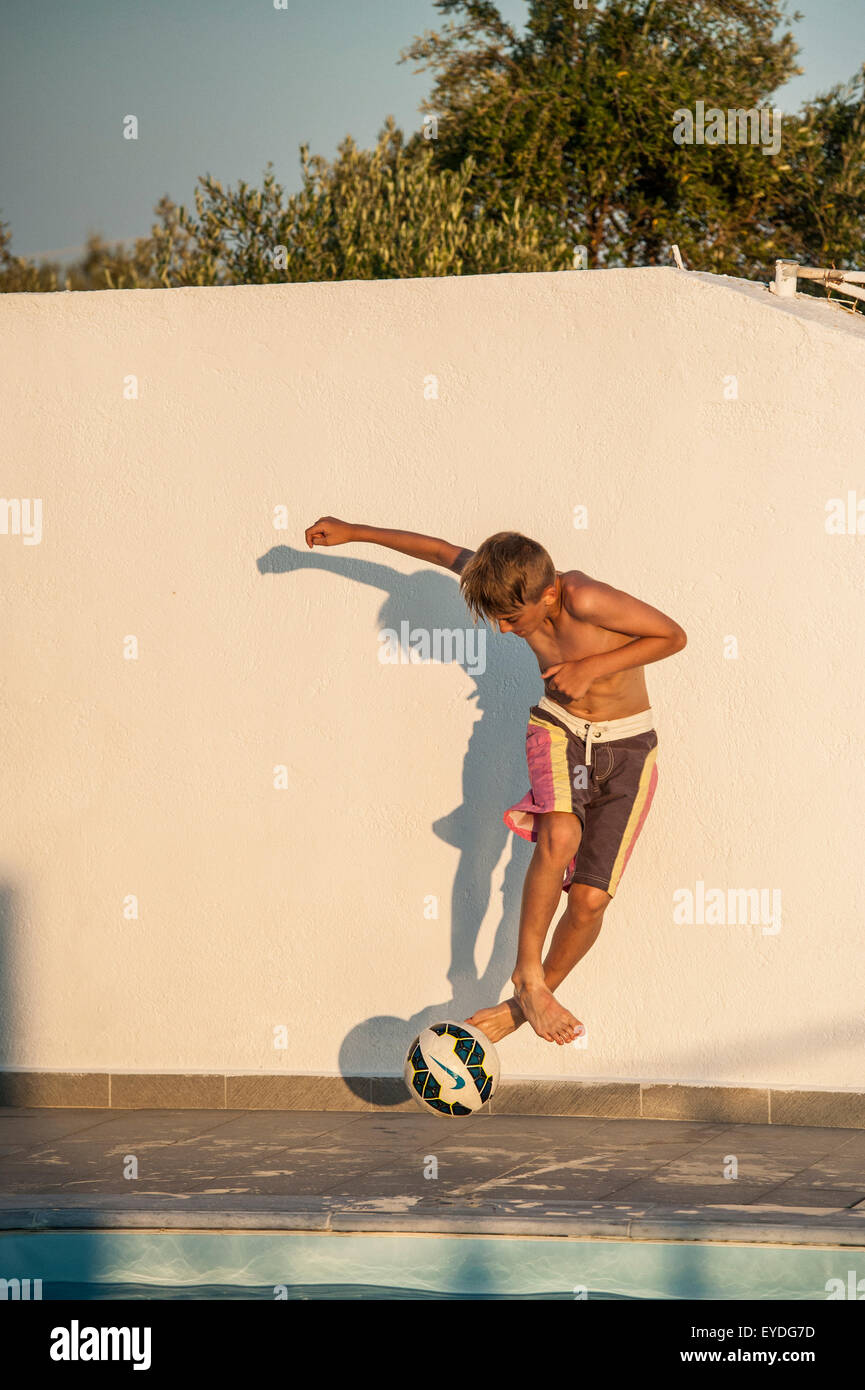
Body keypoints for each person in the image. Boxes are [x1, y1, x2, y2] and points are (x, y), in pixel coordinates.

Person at [304, 518, 686, 1046]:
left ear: (548, 595)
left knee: (591, 902)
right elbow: (439, 550)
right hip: (560, 728)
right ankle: (529, 974)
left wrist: (594, 666)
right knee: (559, 836)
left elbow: (673, 635)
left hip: (628, 748)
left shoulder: (588, 599)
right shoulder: (507, 580)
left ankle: (519, 1008)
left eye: (510, 619)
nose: (504, 631)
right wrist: (352, 532)